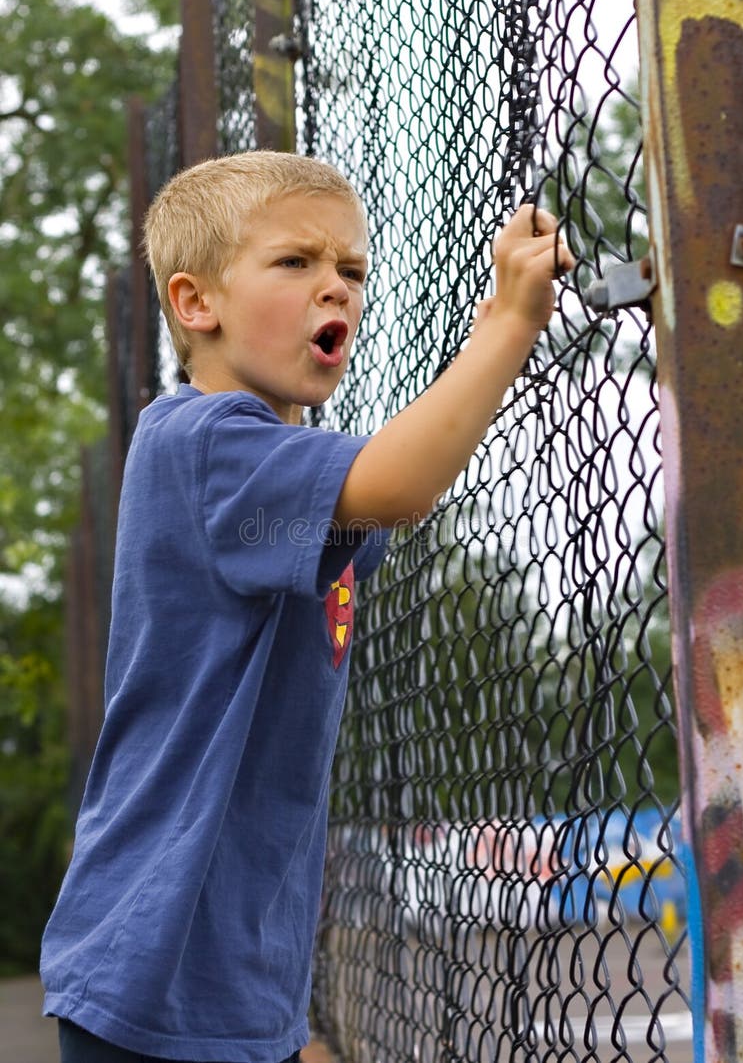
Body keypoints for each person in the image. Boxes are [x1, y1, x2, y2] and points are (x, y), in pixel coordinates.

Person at [40, 150, 574, 1063]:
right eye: (295, 261)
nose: (336, 287)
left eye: (352, 271)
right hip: (156, 967)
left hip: (238, 975)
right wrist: (510, 323)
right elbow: (400, 484)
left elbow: (386, 482)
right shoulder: (202, 442)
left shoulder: (284, 477)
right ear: (195, 303)